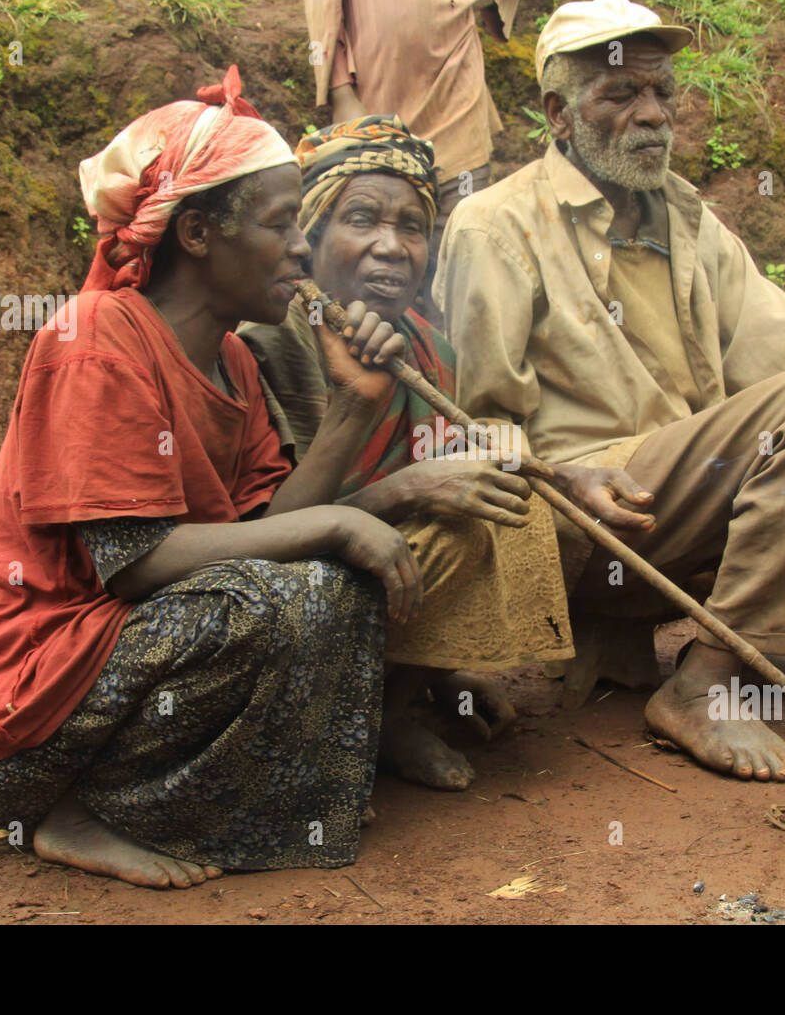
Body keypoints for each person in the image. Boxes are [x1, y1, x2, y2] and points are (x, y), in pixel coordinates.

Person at [435, 0, 785, 783]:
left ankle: (756, 642)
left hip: (685, 507)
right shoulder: (495, 226)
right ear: (558, 114)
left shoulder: (685, 216)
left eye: (662, 93)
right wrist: (564, 478)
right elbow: (479, 429)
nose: (652, 114)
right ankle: (705, 685)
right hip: (579, 520)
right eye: (621, 94)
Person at [0, 67, 424, 888]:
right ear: (197, 234)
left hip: (112, 680)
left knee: (322, 584)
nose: (302, 248)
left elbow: (269, 528)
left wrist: (352, 406)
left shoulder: (232, 357)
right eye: (280, 225)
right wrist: (344, 522)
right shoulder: (95, 338)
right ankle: (69, 812)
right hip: (30, 721)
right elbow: (136, 564)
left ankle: (198, 807)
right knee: (276, 593)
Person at [239, 115, 572, 792]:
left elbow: (459, 477)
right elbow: (256, 546)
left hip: (385, 572)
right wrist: (406, 489)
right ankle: (361, 721)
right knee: (455, 514)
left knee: (502, 494)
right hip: (292, 587)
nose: (391, 247)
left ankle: (404, 695)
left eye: (412, 228)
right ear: (313, 234)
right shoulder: (263, 344)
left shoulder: (426, 347)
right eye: (362, 220)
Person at [303, 0, 533, 321]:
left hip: (455, 98)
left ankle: (447, 363)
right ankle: (375, 359)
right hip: (373, 111)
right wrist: (339, 90)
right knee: (378, 250)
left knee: (460, 254)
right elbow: (322, 3)